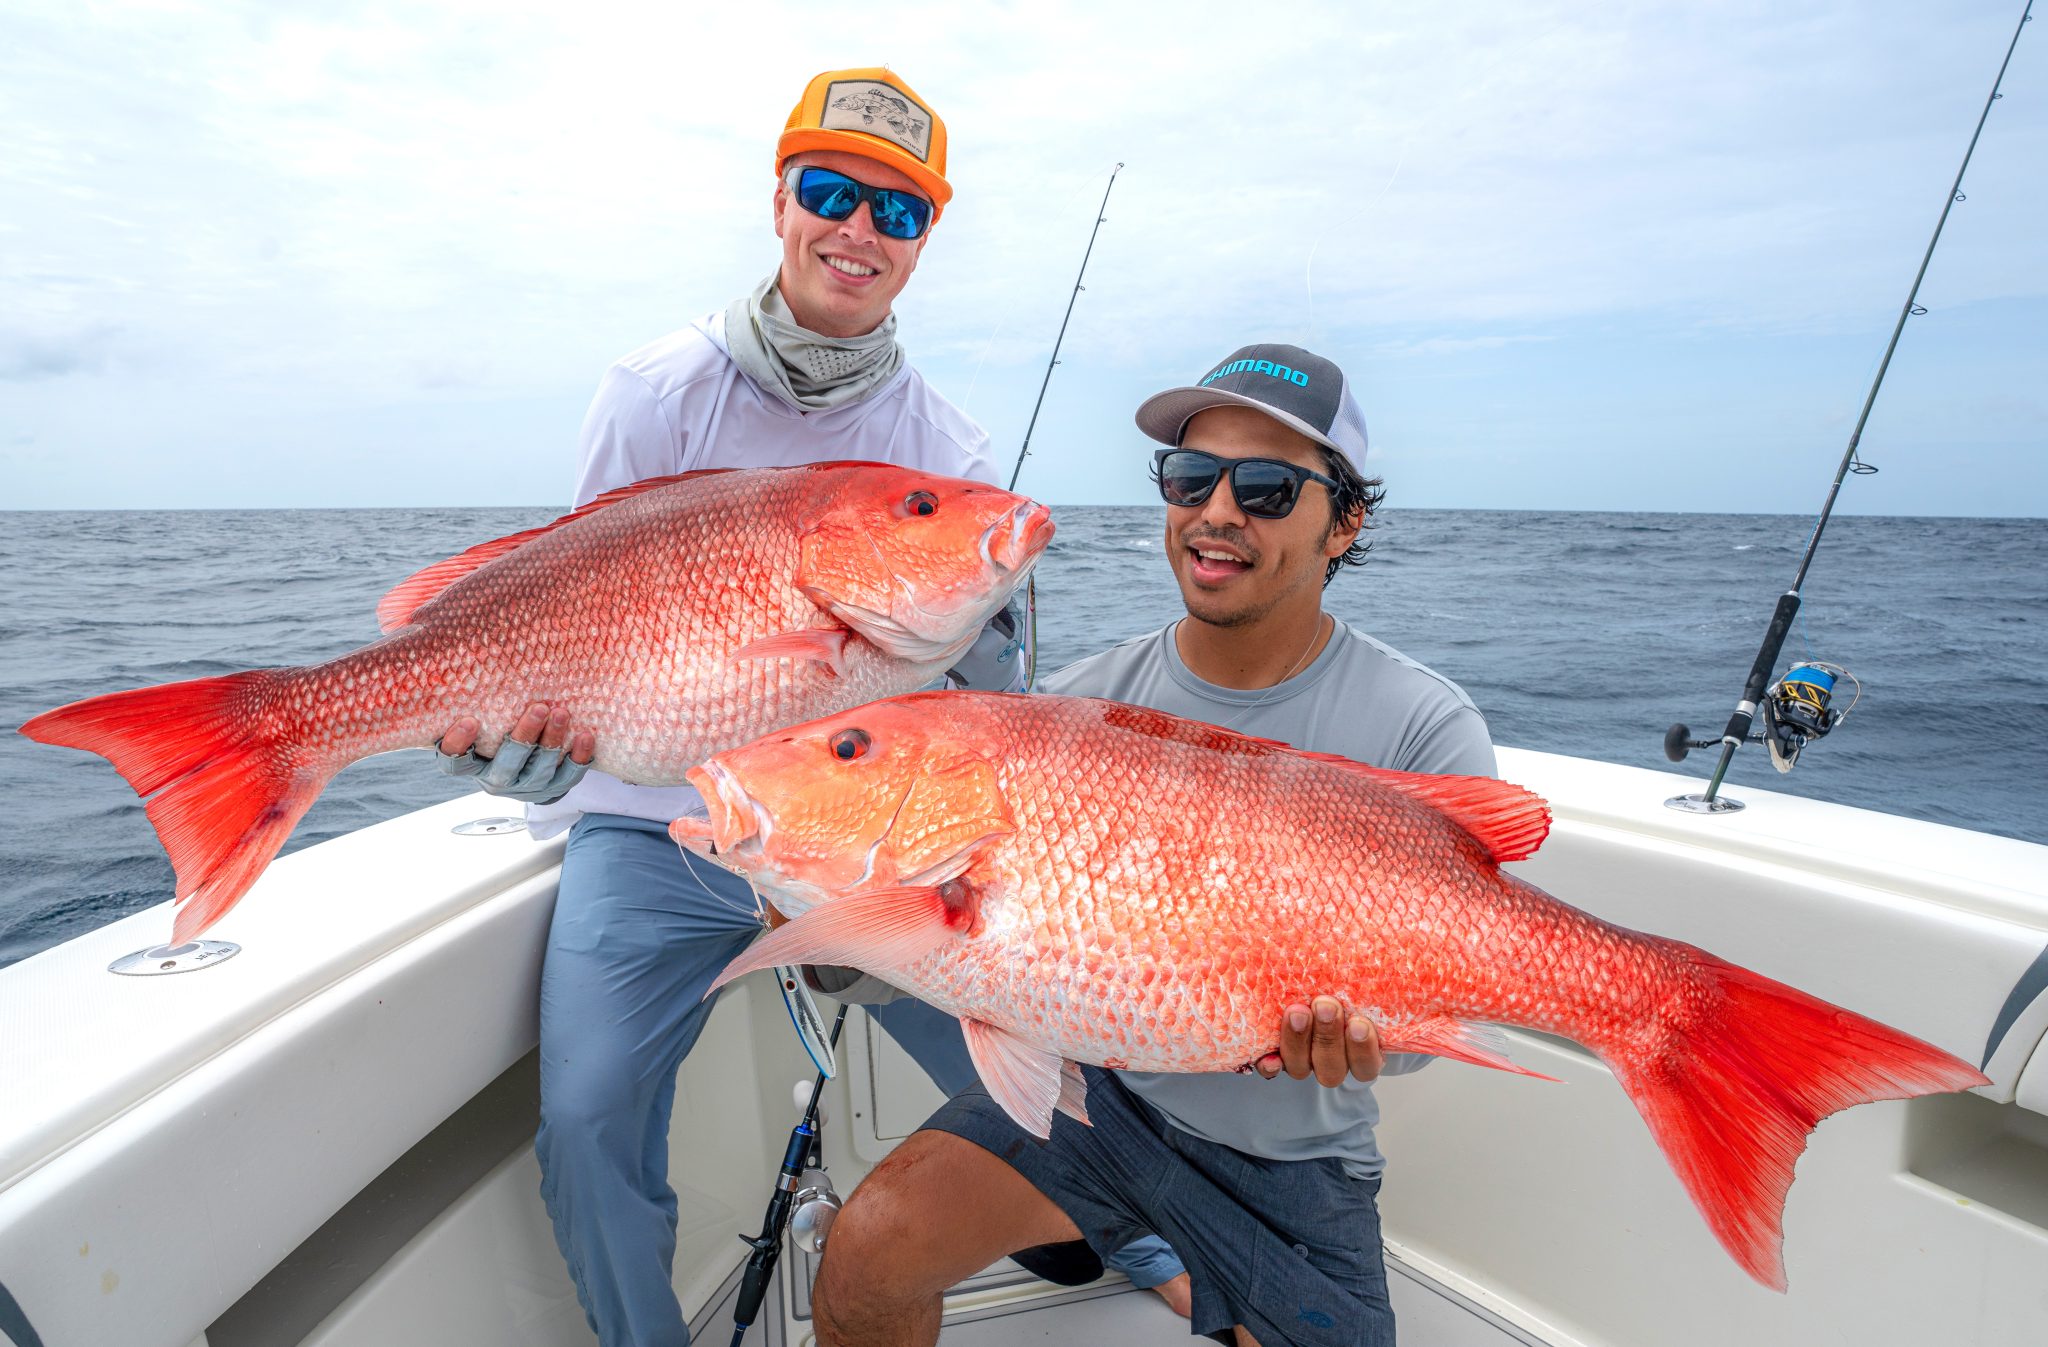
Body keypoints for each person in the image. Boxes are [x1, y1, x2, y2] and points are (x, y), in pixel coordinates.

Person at [431, 68, 1182, 1345]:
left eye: (897, 211)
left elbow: (963, 698)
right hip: (656, 825)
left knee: (1062, 1063)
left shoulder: (946, 447)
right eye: (829, 192)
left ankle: (1131, 1239)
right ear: (779, 200)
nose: (858, 231)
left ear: (923, 239)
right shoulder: (655, 394)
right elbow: (584, 598)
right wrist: (534, 736)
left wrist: (977, 672)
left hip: (867, 843)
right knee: (587, 1117)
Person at [809, 342, 1498, 1347]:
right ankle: (1104, 1233)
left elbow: (1449, 991)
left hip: (1292, 1164)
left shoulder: (1423, 727)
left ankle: (1164, 1256)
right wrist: (809, 900)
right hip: (1100, 1105)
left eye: (1266, 488)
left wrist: (1365, 1050)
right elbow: (957, 938)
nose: (1216, 510)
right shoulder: (1080, 706)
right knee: (863, 1253)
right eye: (1189, 477)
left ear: (1343, 523)